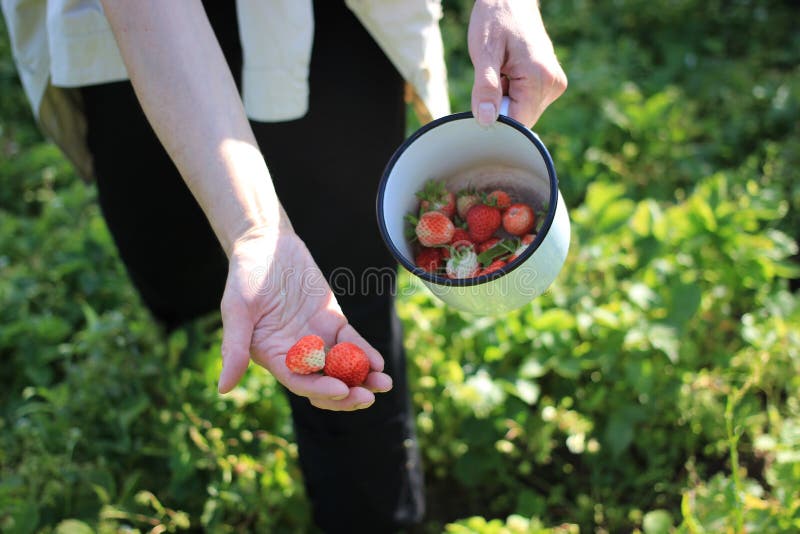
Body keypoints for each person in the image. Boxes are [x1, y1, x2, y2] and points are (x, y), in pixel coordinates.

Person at [2, 0, 566, 531]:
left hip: (336, 22)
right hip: (145, 30)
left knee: (348, 288)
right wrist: (256, 232)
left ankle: (373, 517)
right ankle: (198, 311)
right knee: (173, 252)